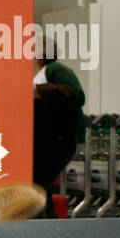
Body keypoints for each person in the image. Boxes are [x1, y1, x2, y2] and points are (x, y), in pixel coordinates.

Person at [31, 37, 86, 218]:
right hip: (48, 139)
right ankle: (48, 222)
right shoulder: (41, 72)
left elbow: (77, 96)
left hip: (60, 138)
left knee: (37, 183)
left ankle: (44, 223)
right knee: (40, 184)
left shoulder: (56, 69)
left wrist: (41, 91)